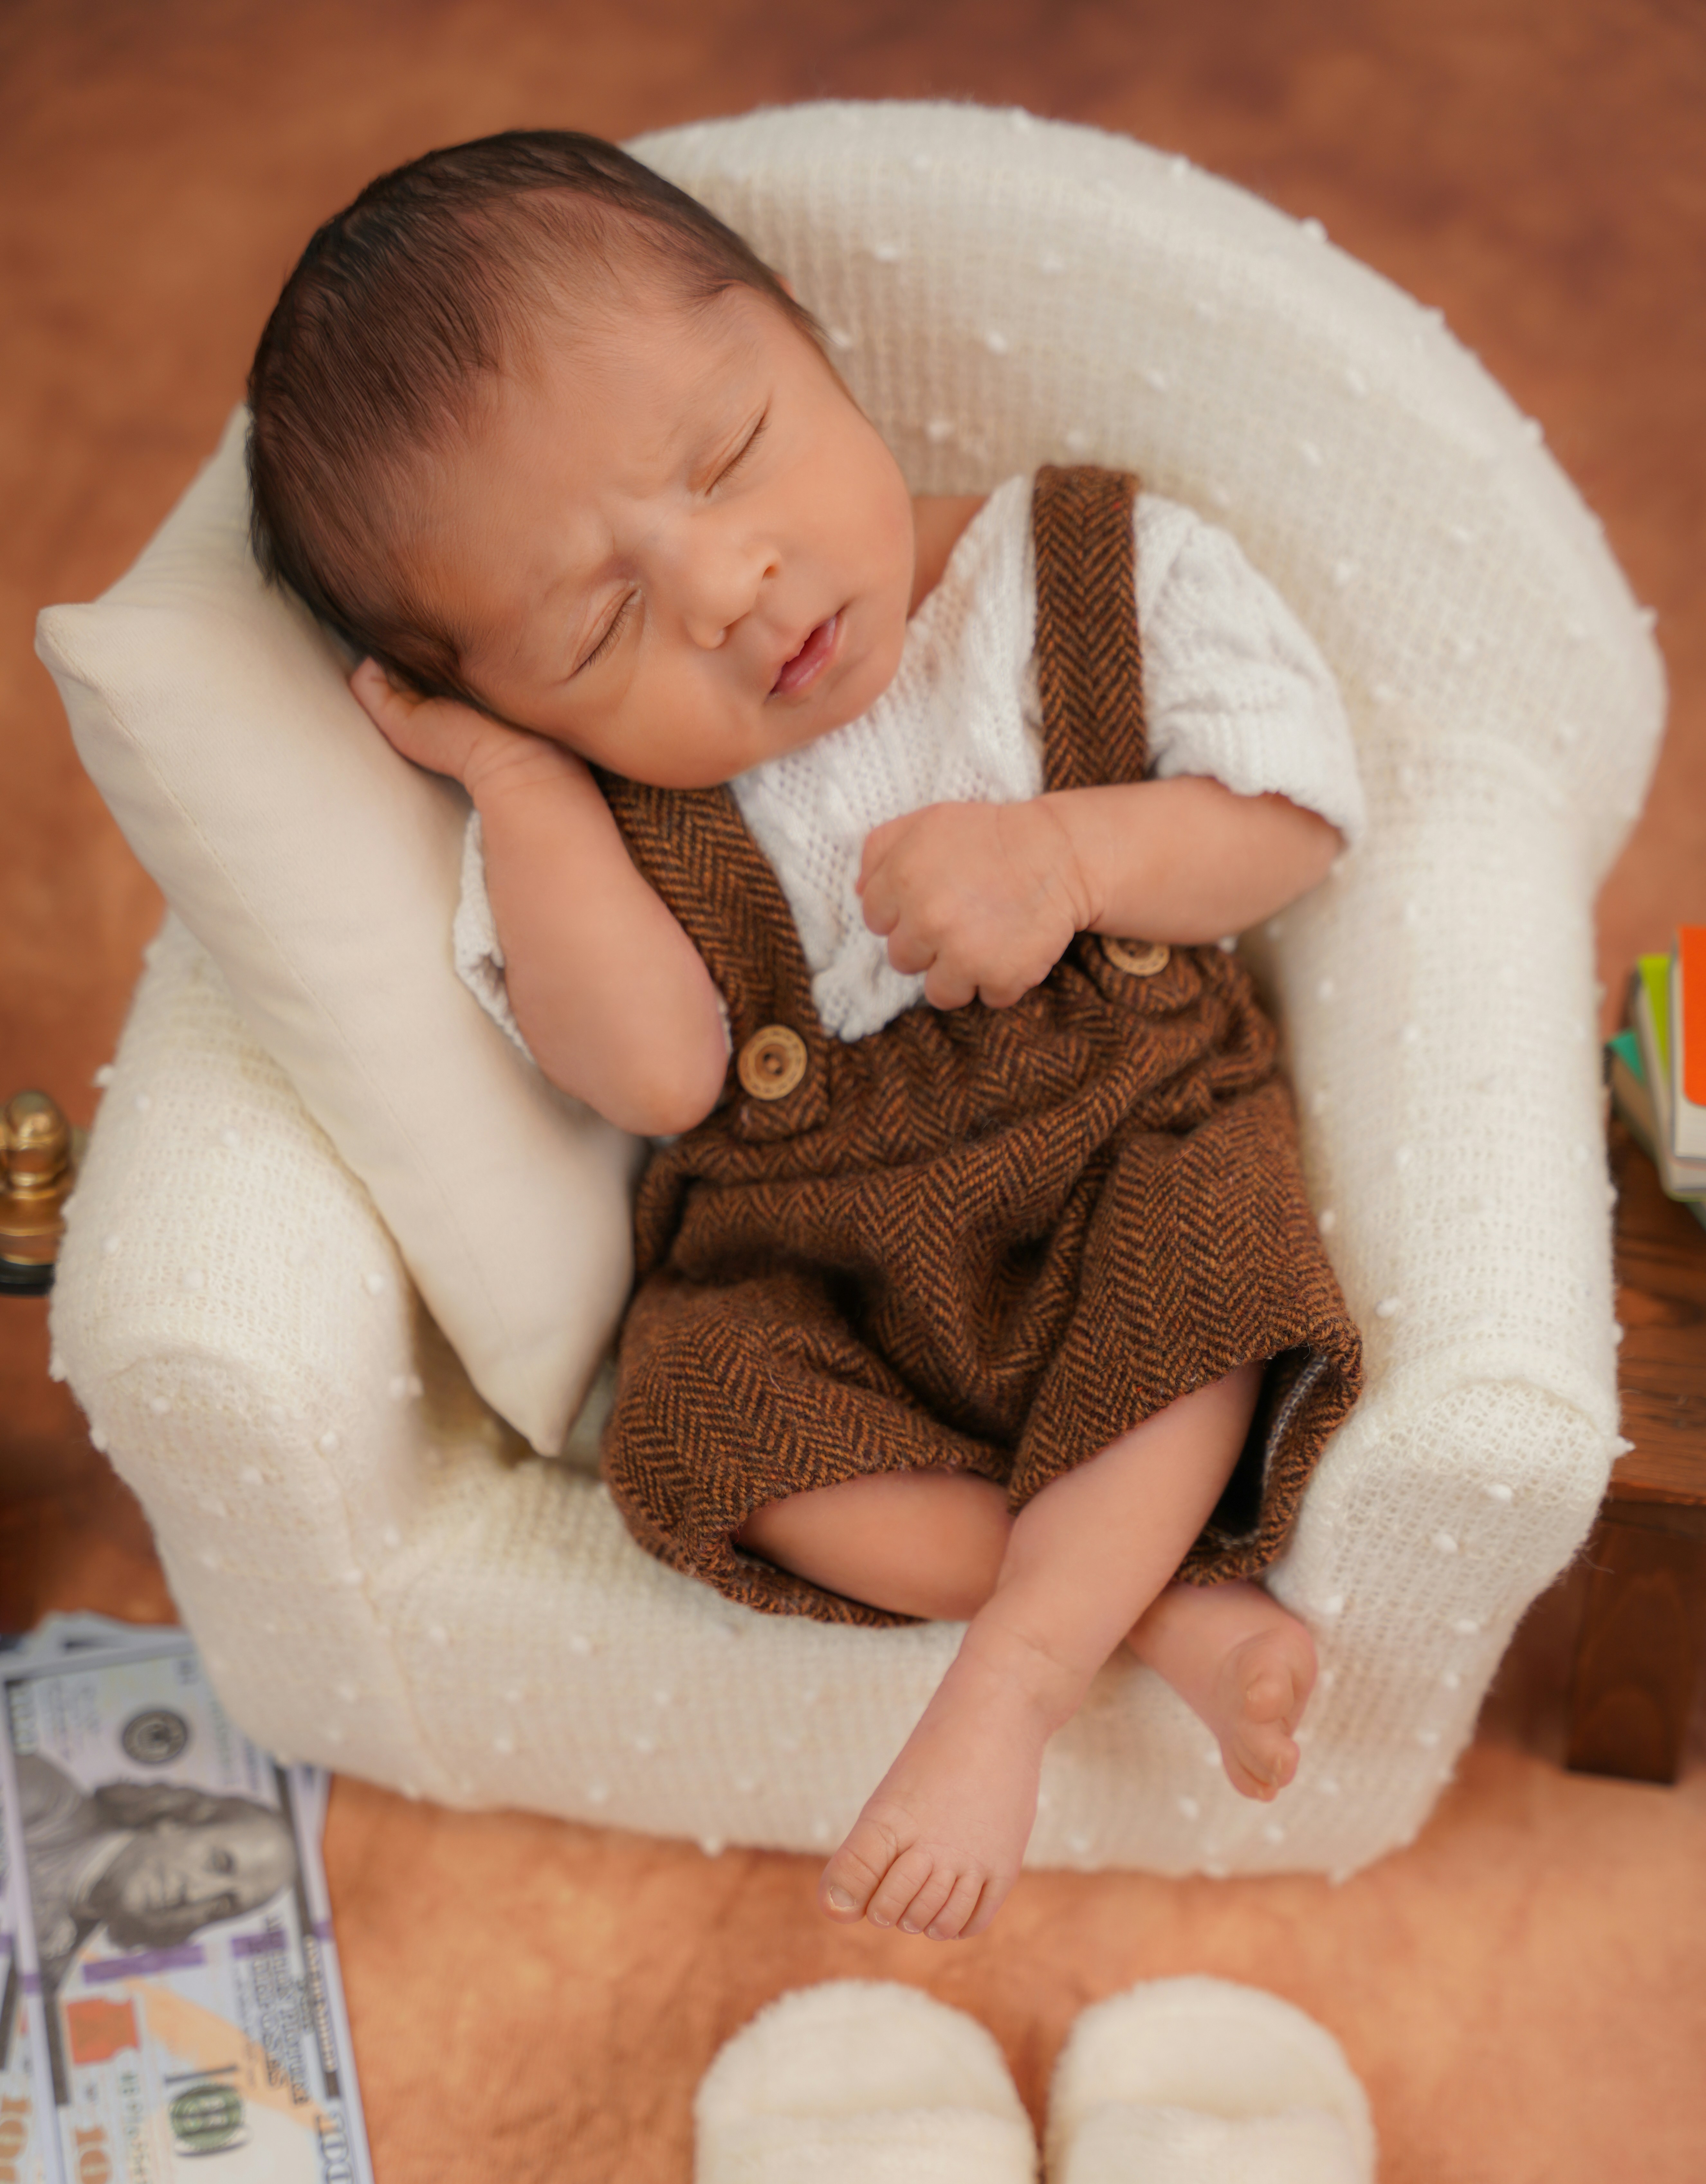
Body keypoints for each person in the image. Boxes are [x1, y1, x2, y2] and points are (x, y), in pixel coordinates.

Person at [246, 131, 1364, 1944]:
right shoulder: (588, 819)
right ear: (496, 695)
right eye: (597, 627)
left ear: (813, 341)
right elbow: (660, 1078)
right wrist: (524, 789)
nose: (723, 586)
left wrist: (1072, 853)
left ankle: (1008, 1681)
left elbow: (1295, 812)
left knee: (1200, 1279)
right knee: (701, 1421)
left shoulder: (1075, 563)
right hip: (815, 1234)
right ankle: (1152, 1605)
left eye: (730, 455)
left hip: (1115, 1128)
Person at [15, 1753, 298, 1997]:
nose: (197, 1894)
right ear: (174, 1822)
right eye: (218, 1863)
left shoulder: (51, 1973)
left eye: (223, 1905)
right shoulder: (45, 1797)